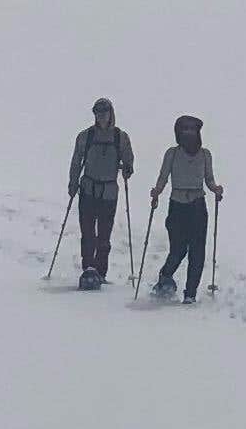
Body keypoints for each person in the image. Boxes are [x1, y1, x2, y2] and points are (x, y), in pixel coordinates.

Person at [147, 114, 222, 301]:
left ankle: (190, 293)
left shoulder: (205, 155)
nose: (189, 133)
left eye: (192, 129)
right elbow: (163, 177)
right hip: (177, 205)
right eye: (185, 129)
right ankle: (166, 275)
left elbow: (209, 179)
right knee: (178, 248)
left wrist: (215, 188)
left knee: (197, 252)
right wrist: (157, 192)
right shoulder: (172, 153)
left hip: (197, 204)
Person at [65, 95, 135, 286]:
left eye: (104, 112)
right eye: (97, 112)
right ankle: (89, 269)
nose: (101, 115)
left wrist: (128, 168)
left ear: (111, 113)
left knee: (104, 235)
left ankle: (100, 272)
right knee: (88, 233)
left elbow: (128, 159)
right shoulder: (86, 136)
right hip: (89, 190)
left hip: (108, 192)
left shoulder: (120, 137)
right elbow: (76, 161)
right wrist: (72, 183)